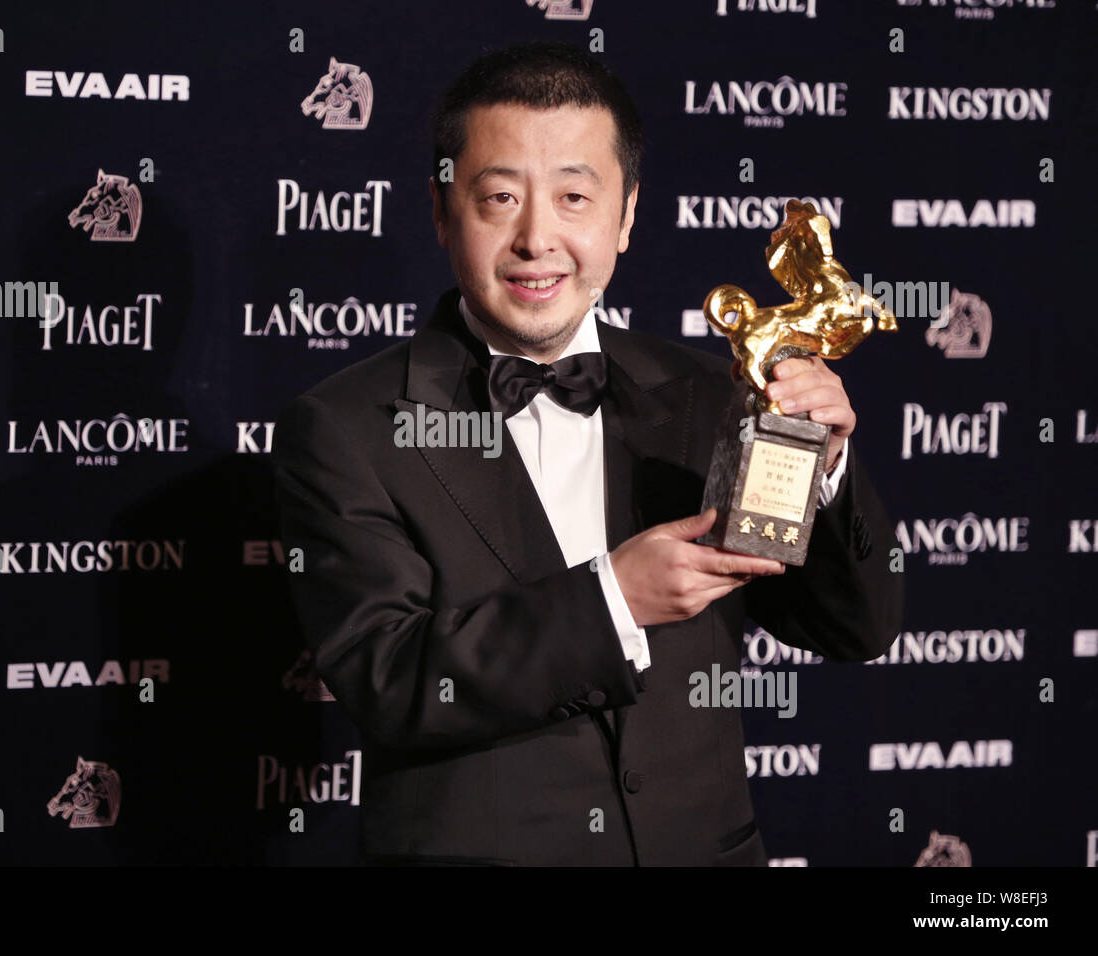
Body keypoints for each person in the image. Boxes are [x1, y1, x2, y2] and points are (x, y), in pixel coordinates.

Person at [271, 41, 902, 866]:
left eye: (575, 196)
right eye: (500, 197)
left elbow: (855, 628)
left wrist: (827, 471)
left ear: (626, 216)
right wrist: (615, 599)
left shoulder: (714, 395)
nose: (539, 238)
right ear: (440, 210)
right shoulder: (345, 426)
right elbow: (388, 682)